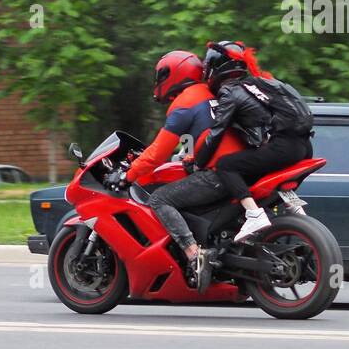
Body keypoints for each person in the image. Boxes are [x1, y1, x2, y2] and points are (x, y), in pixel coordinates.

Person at [118, 50, 245, 291]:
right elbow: (212, 135)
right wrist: (193, 158)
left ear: (172, 74)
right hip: (241, 166)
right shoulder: (211, 94)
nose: (159, 82)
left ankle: (193, 254)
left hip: (219, 174)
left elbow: (157, 153)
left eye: (161, 76)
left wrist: (128, 175)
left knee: (160, 199)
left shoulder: (186, 102)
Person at [192, 40, 314, 242]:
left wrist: (199, 162)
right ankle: (294, 210)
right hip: (303, 145)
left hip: (282, 147)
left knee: (226, 165)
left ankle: (253, 214)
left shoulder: (230, 91)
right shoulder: (254, 85)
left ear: (216, 68)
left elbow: (216, 132)